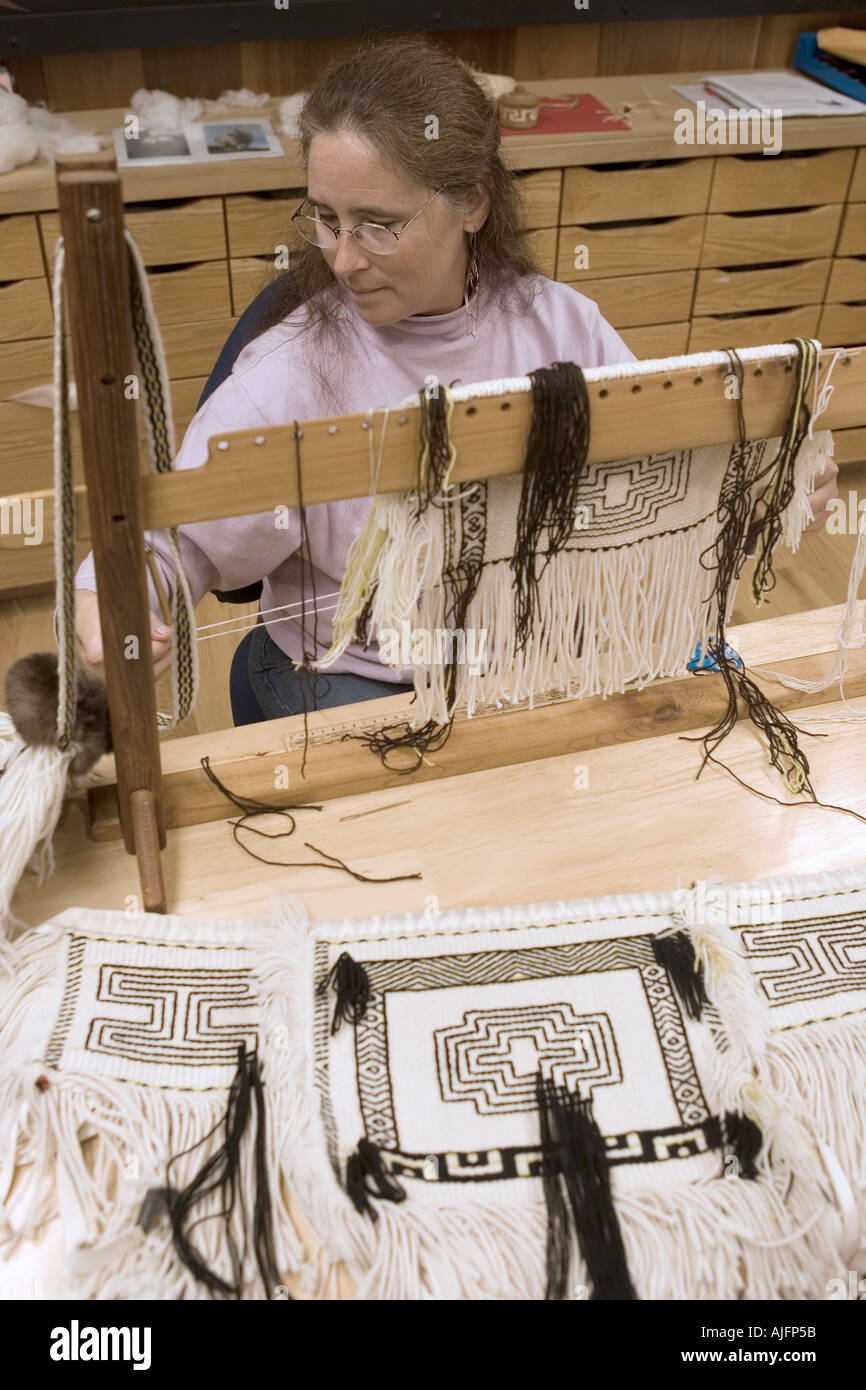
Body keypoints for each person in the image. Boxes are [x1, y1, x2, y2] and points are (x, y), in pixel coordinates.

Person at [73, 35, 838, 719]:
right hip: (359, 675)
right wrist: (116, 603)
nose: (341, 258)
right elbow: (175, 545)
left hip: (529, 656)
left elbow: (653, 500)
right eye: (326, 218)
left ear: (471, 202)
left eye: (379, 223)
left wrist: (755, 503)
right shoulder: (292, 368)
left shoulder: (563, 328)